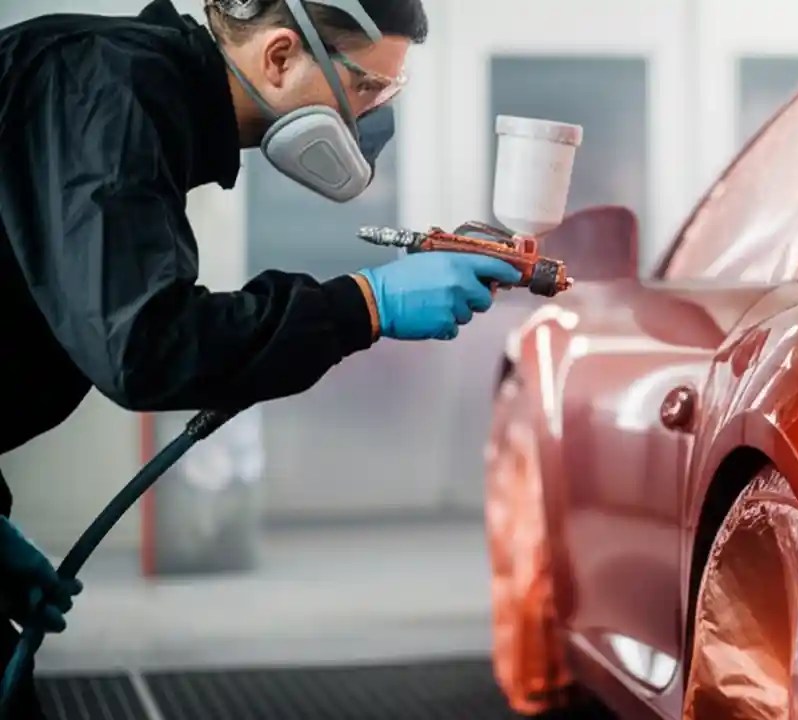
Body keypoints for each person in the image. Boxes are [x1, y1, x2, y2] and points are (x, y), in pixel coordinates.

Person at [0, 0, 518, 715]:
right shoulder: (105, 89)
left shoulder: (128, 92)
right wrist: (363, 305)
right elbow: (144, 343)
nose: (372, 116)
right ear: (279, 57)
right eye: (368, 88)